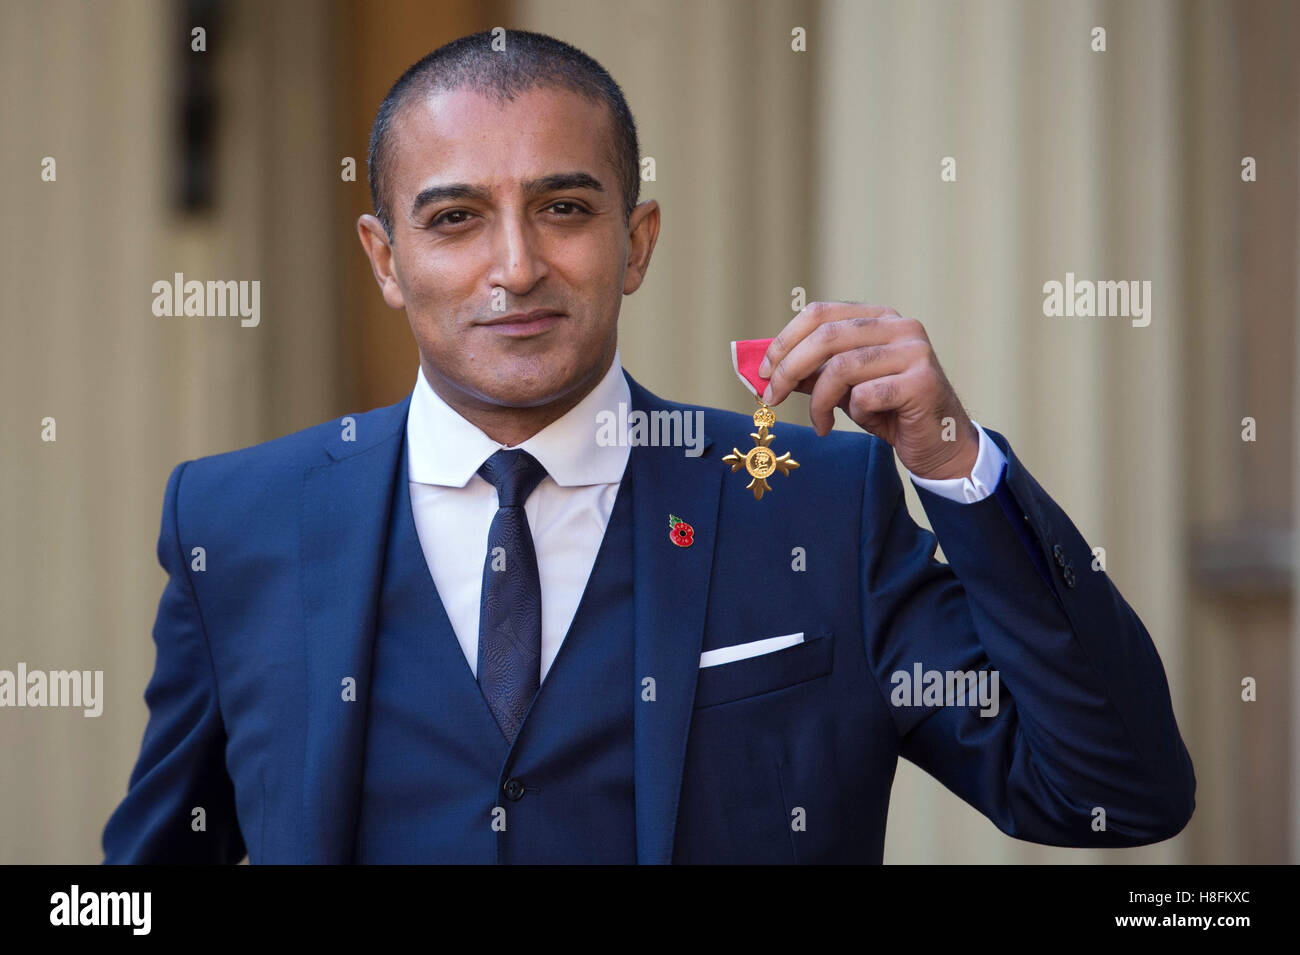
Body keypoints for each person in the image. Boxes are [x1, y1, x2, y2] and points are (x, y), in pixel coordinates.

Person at [102, 28, 1194, 864]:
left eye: (564, 209)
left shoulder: (812, 504)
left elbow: (1113, 789)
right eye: (455, 218)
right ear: (386, 259)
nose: (516, 266)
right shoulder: (235, 524)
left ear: (636, 241)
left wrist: (955, 465)